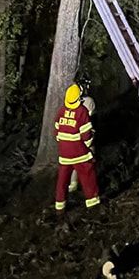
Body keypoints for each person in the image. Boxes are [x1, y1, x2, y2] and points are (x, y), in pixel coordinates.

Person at [53, 82, 100, 213]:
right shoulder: (82, 111)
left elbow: (56, 131)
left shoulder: (61, 111)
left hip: (64, 154)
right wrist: (88, 147)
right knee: (88, 176)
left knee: (62, 181)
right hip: (80, 153)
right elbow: (86, 135)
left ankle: (59, 207)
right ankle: (92, 204)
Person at [69, 75, 96, 194]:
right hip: (86, 136)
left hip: (72, 137)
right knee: (89, 160)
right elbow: (92, 119)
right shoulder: (89, 101)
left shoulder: (69, 101)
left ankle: (73, 184)